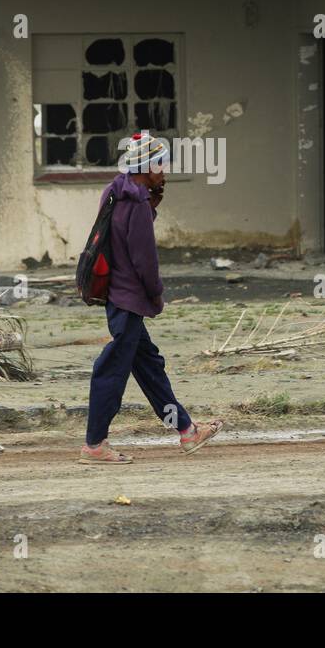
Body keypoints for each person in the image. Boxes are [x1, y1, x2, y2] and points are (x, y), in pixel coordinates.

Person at [79, 132, 223, 465]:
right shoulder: (138, 205)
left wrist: (151, 205)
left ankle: (186, 430)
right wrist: (156, 295)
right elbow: (145, 261)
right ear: (145, 165)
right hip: (130, 299)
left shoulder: (115, 191)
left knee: (150, 369)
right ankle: (94, 444)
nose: (166, 168)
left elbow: (117, 237)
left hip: (117, 295)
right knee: (112, 370)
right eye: (161, 162)